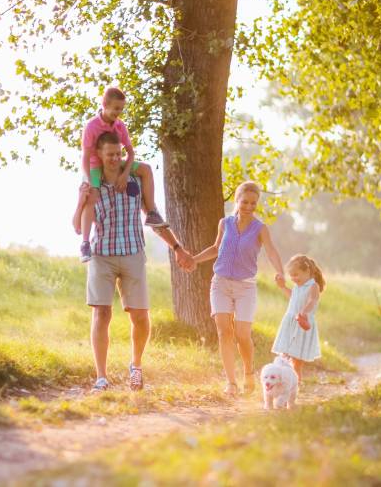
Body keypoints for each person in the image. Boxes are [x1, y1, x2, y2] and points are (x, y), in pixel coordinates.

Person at [86, 131, 192, 392]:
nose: (114, 158)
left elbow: (153, 218)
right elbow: (79, 222)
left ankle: (135, 366)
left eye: (118, 153)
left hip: (133, 253)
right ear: (99, 155)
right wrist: (80, 205)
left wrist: (177, 247)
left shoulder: (134, 180)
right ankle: (101, 376)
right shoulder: (93, 185)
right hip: (102, 256)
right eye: (109, 154)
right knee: (101, 313)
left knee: (141, 317)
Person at [186, 181, 286, 396]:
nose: (249, 206)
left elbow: (271, 251)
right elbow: (215, 248)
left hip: (245, 287)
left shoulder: (260, 229)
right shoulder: (225, 223)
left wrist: (280, 272)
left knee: (242, 334)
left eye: (253, 203)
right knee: (224, 332)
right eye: (245, 202)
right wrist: (194, 260)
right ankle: (231, 382)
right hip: (220, 283)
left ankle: (249, 372)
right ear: (237, 200)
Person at [73, 86, 168, 263]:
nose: (119, 112)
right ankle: (85, 243)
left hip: (117, 161)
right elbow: (85, 156)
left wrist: (125, 174)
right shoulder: (92, 126)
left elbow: (130, 153)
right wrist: (88, 180)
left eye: (121, 109)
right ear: (105, 105)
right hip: (95, 165)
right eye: (116, 108)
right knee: (91, 196)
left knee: (146, 169)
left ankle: (152, 212)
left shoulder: (120, 125)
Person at [272, 254, 326, 383]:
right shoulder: (298, 286)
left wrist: (305, 312)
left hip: (302, 323)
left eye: (296, 274)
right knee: (284, 355)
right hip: (290, 322)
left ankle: (295, 386)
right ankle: (283, 382)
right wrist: (283, 287)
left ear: (307, 271)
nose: (293, 278)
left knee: (296, 361)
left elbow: (312, 300)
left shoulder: (313, 286)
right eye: (291, 276)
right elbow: (293, 296)